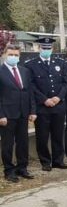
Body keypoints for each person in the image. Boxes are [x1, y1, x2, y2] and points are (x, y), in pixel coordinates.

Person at [24, 37, 67, 171]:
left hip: (58, 106)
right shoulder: (31, 64)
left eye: (49, 48)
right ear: (39, 48)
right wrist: (44, 99)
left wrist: (58, 97)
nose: (46, 50)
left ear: (52, 49)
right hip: (42, 107)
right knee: (42, 137)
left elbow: (66, 83)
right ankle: (45, 162)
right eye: (44, 48)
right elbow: (31, 85)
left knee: (58, 135)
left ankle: (58, 160)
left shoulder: (60, 63)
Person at [0, 44, 36, 182]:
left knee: (23, 142)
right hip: (7, 115)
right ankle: (9, 171)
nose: (13, 57)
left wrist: (32, 111)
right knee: (7, 144)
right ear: (4, 54)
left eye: (16, 55)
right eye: (10, 54)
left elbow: (29, 92)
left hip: (23, 113)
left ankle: (22, 168)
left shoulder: (24, 71)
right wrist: (1, 114)